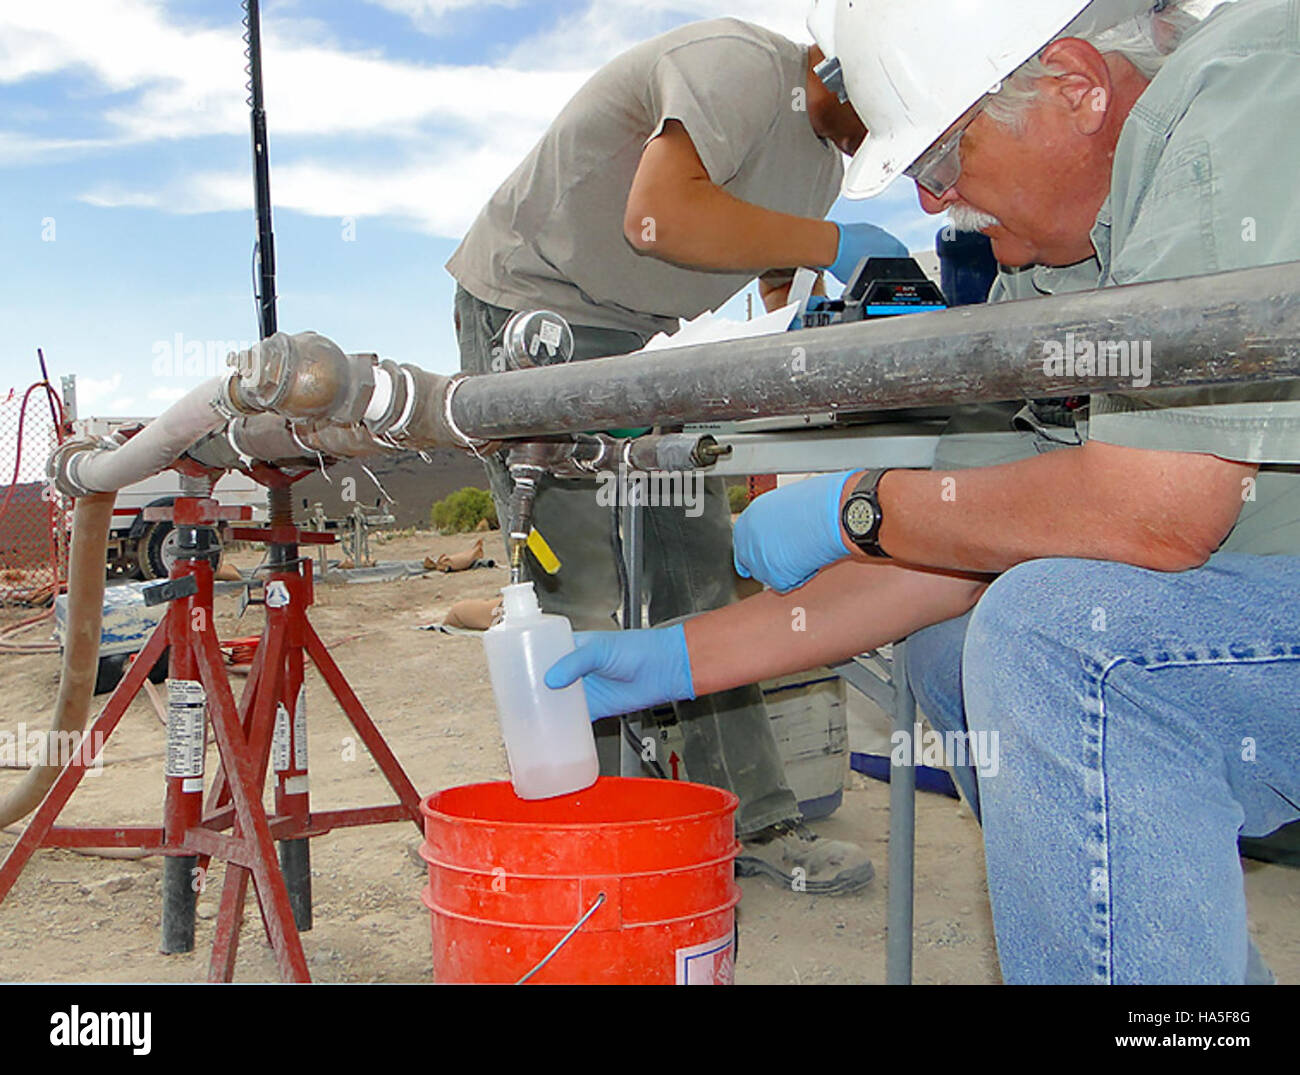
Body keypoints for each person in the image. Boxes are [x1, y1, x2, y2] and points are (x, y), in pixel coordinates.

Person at [548, 0, 1300, 983]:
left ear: (1074, 87)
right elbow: (966, 542)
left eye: (942, 165)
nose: (938, 206)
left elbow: (1149, 512)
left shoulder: (1252, 83)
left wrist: (860, 505)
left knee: (1059, 639)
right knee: (961, 650)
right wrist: (672, 662)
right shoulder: (1067, 264)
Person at [448, 17, 907, 894]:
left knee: (696, 569)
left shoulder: (824, 161)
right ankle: (601, 841)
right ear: (848, 67)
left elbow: (775, 278)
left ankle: (751, 819)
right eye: (879, 118)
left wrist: (805, 317)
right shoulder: (736, 67)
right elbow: (659, 217)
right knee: (582, 588)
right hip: (533, 306)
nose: (873, 143)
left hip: (632, 339)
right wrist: (832, 243)